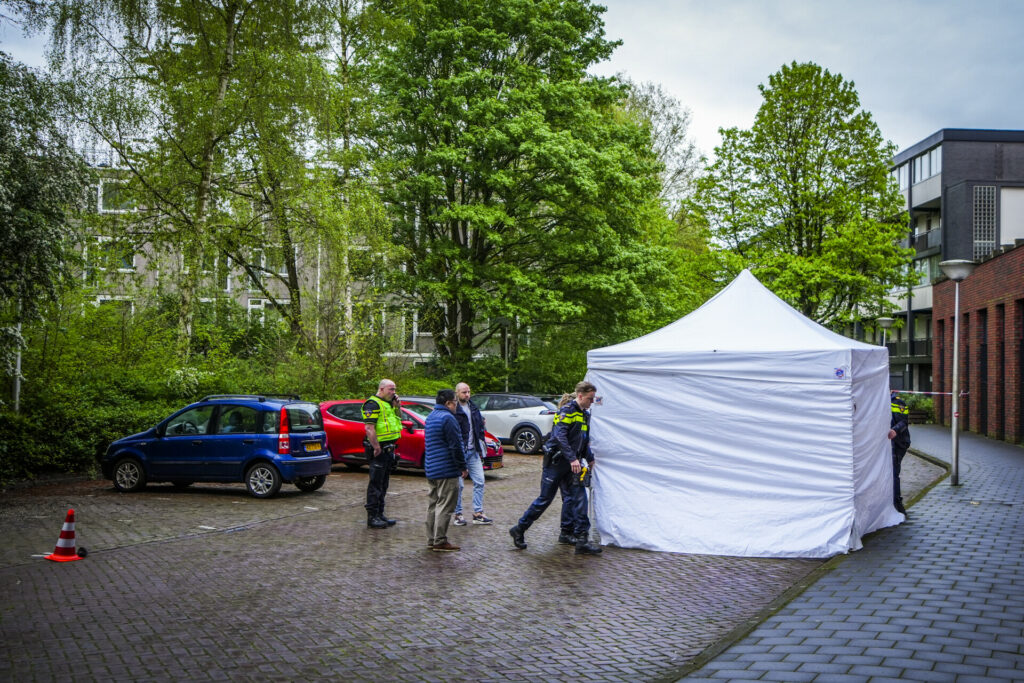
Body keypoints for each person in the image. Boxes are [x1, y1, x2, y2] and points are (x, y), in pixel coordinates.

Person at [509, 381, 602, 555]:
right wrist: (573, 458)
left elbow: (582, 439)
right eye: (590, 399)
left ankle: (582, 539)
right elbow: (560, 436)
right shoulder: (566, 411)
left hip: (571, 465)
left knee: (579, 498)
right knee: (545, 500)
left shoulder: (584, 414)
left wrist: (589, 458)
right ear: (580, 396)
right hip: (556, 464)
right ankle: (519, 528)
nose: (592, 402)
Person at [424, 389, 468, 552]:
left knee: (433, 504)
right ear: (448, 403)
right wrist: (462, 466)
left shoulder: (431, 417)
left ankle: (431, 538)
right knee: (446, 505)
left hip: (431, 468)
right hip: (446, 468)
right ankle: (440, 540)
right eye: (455, 402)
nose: (456, 405)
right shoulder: (448, 419)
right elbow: (455, 445)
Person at [452, 382, 493, 527]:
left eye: (468, 391)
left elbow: (479, 427)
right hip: (460, 451)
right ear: (457, 393)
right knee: (459, 485)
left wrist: (481, 442)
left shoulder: (473, 407)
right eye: (464, 392)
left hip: (473, 451)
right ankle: (458, 514)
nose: (467, 395)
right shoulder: (453, 409)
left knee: (480, 481)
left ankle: (478, 513)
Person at [362, 379, 401, 529]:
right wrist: (376, 447)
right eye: (391, 389)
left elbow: (398, 419)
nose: (393, 392)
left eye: (394, 389)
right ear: (382, 389)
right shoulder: (372, 404)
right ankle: (372, 517)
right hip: (379, 449)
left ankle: (380, 514)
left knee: (384, 484)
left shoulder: (388, 404)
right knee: (376, 484)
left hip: (389, 448)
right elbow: (369, 428)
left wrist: (397, 406)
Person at [888, 390, 911, 514]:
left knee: (893, 473)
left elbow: (904, 422)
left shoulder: (897, 402)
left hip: (898, 443)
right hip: (887, 444)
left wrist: (894, 430)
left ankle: (897, 505)